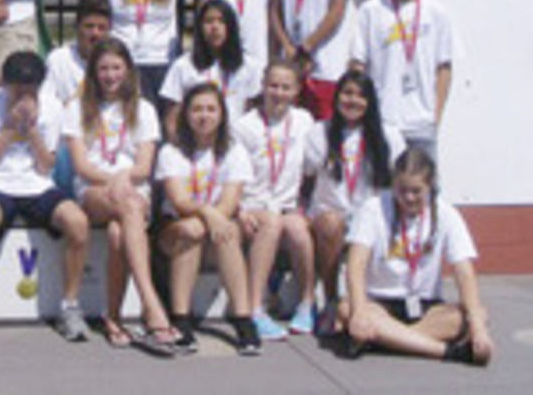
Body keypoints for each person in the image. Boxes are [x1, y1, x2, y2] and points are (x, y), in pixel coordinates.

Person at [0, 51, 90, 353]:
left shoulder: (52, 107)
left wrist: (32, 132)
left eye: (30, 90)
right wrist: (8, 130)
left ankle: (70, 306)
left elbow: (47, 165)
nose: (24, 96)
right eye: (17, 90)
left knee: (78, 222)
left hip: (36, 184)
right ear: (4, 84)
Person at [62, 39, 174, 352]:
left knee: (117, 234)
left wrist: (125, 179)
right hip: (95, 189)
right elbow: (82, 166)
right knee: (128, 206)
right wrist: (115, 181)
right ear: (94, 73)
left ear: (127, 70)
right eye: (103, 69)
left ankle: (113, 318)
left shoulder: (144, 108)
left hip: (133, 189)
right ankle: (151, 304)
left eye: (116, 68)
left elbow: (144, 166)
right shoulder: (77, 107)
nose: (110, 75)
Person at [340, 147, 493, 365]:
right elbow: (356, 263)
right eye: (402, 190)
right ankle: (447, 352)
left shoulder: (446, 214)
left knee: (476, 315)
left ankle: (387, 340)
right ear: (393, 185)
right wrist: (359, 311)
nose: (409, 198)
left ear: (430, 186)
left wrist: (478, 329)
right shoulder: (372, 209)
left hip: (426, 306)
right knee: (348, 309)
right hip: (381, 304)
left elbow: (464, 271)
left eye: (416, 191)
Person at [156, 83, 260, 355]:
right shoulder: (171, 151)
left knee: (226, 231)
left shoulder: (234, 152)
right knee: (192, 229)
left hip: (215, 231)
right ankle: (181, 318)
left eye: (211, 109)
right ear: (186, 115)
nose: (204, 116)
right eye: (197, 109)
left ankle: (243, 318)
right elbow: (179, 202)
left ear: (222, 115)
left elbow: (229, 202)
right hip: (175, 228)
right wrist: (207, 213)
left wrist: (214, 216)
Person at [303, 70, 404, 334]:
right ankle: (331, 299)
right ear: (337, 97)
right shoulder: (319, 132)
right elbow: (307, 176)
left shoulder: (389, 136)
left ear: (370, 101)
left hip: (370, 217)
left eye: (361, 95)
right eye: (347, 93)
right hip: (331, 214)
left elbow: (401, 183)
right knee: (330, 223)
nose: (353, 101)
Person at [234, 61, 317, 339]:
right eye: (273, 86)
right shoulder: (244, 126)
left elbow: (312, 167)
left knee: (297, 229)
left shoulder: (304, 121)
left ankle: (308, 302)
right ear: (262, 85)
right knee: (270, 224)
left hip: (289, 204)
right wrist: (239, 210)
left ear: (295, 91)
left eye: (285, 87)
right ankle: (255, 308)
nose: (278, 93)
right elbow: (234, 174)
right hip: (254, 204)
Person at [351, 0, 454, 163]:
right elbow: (358, 64)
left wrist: (436, 114)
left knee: (423, 187)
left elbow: (444, 67)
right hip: (384, 117)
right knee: (382, 185)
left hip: (422, 119)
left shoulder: (437, 12)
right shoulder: (371, 10)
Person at [159, 0, 262, 139]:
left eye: (221, 21)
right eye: (208, 21)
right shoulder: (183, 66)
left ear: (231, 26)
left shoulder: (250, 66)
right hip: (196, 145)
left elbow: (255, 113)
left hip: (238, 143)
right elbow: (172, 118)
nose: (215, 27)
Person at [41, 0, 112, 107]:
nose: (95, 34)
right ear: (77, 27)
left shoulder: (117, 61)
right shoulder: (59, 59)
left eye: (101, 28)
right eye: (89, 26)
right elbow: (46, 101)